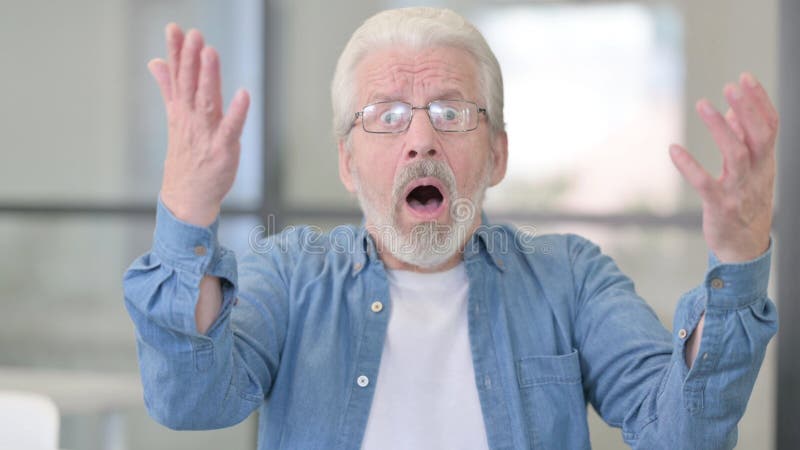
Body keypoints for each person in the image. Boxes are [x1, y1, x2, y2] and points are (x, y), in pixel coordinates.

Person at [123, 7, 779, 450]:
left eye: (450, 111)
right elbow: (190, 401)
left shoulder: (570, 277)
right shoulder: (291, 272)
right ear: (348, 163)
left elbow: (681, 431)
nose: (420, 140)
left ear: (496, 154)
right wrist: (187, 213)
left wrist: (740, 262)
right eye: (386, 114)